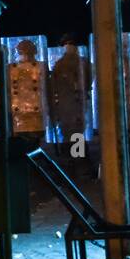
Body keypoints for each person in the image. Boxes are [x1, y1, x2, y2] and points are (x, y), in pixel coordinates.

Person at [48, 34, 93, 176]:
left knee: (71, 134)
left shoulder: (60, 64)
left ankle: (75, 165)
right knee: (76, 134)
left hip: (67, 105)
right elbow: (90, 80)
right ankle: (78, 164)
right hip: (75, 104)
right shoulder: (82, 62)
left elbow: (53, 86)